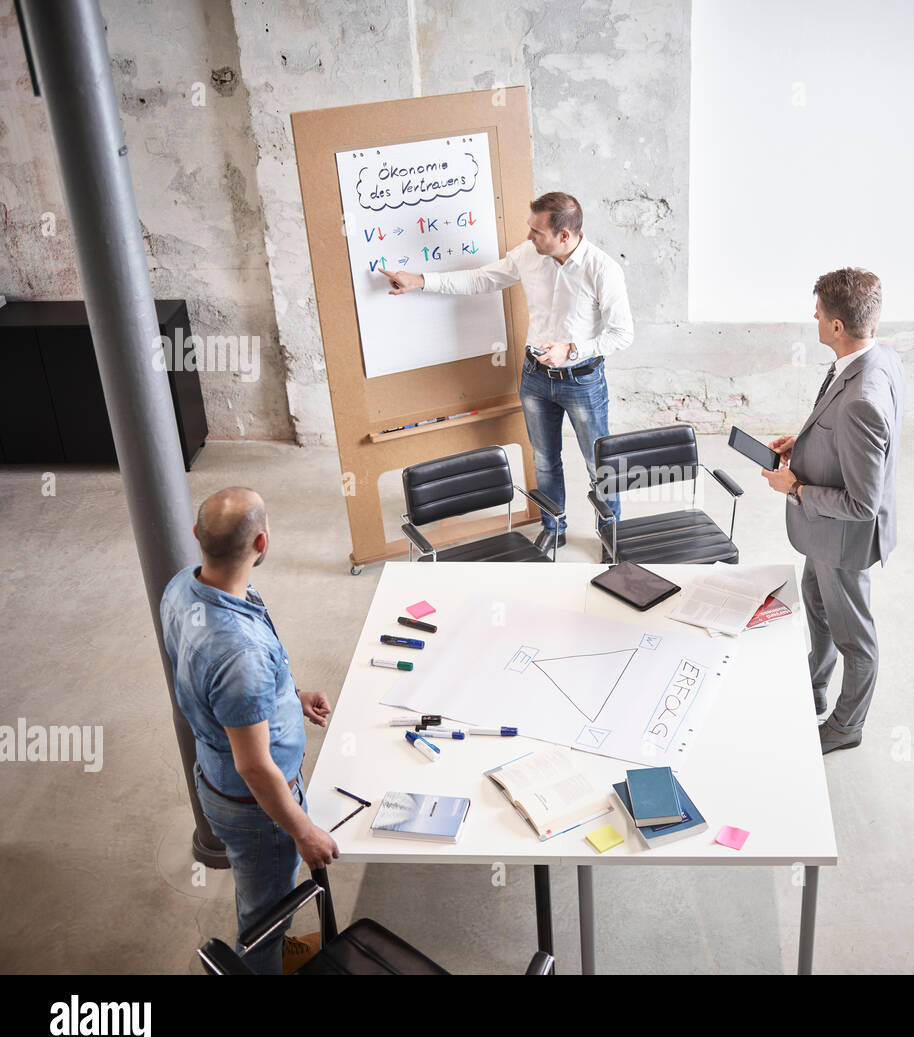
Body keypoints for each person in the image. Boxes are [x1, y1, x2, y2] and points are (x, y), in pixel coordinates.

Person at [380, 191, 634, 557]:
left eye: (537, 231)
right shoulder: (529, 256)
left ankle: (612, 533)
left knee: (598, 463)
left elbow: (621, 334)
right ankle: (553, 527)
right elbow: (482, 279)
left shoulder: (603, 270)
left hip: (583, 380)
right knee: (544, 459)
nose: (529, 237)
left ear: (565, 235)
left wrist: (571, 350)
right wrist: (419, 280)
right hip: (534, 378)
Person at [160, 487, 338, 974]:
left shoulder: (182, 586)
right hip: (256, 808)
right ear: (262, 543)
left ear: (197, 535)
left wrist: (285, 698)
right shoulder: (240, 656)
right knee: (265, 918)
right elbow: (255, 765)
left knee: (258, 889)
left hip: (215, 774)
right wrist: (302, 831)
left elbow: (213, 686)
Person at [761, 269, 905, 754]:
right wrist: (802, 442)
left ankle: (846, 726)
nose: (814, 316)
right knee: (815, 605)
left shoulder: (863, 399)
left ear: (838, 326)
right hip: (823, 536)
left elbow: (863, 502)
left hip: (842, 539)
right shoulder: (871, 358)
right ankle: (814, 683)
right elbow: (846, 440)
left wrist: (796, 487)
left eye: (819, 310)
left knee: (854, 638)